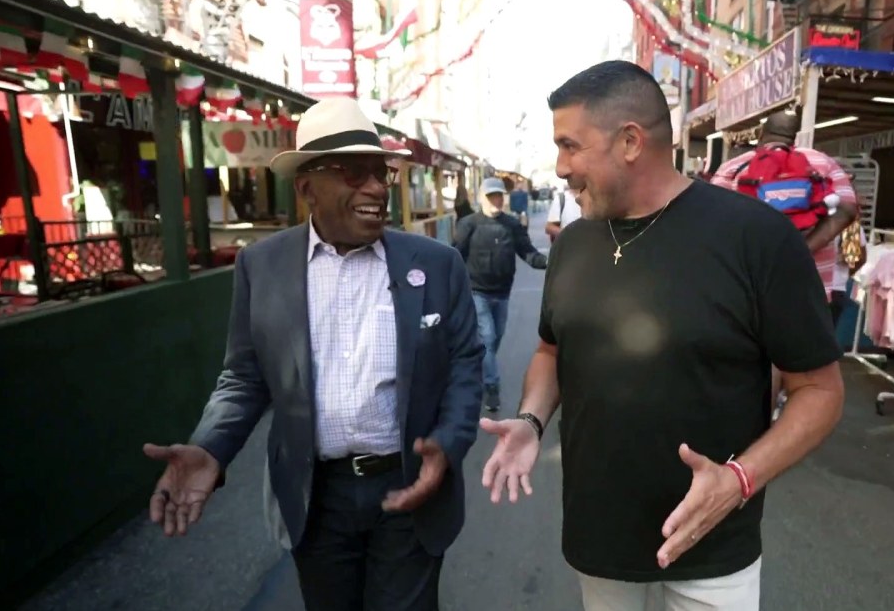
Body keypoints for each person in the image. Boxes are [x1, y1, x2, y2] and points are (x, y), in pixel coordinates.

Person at [479, 61, 845, 611]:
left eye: (570, 146)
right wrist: (532, 420)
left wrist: (738, 480)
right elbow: (552, 350)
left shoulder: (756, 239)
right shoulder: (573, 244)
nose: (558, 168)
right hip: (599, 534)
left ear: (630, 141)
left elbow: (820, 391)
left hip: (714, 543)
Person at [142, 97, 484, 611]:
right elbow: (244, 375)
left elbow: (464, 363)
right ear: (307, 188)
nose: (374, 188)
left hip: (408, 487)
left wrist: (448, 442)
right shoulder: (263, 266)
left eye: (380, 172)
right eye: (352, 173)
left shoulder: (437, 264)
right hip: (314, 496)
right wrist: (211, 446)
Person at [712, 111, 860, 308]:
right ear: (794, 137)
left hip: (750, 289)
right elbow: (847, 210)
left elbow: (713, 220)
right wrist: (801, 252)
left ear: (761, 134)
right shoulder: (822, 162)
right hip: (810, 289)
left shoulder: (733, 168)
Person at [454, 177, 548, 412]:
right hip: (477, 293)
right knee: (487, 337)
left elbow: (528, 252)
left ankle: (477, 369)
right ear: (481, 199)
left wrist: (550, 262)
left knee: (493, 341)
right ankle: (491, 387)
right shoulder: (469, 224)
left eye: (498, 196)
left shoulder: (512, 225)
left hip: (503, 293)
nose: (496, 200)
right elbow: (454, 255)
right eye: (491, 196)